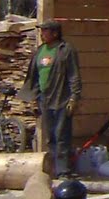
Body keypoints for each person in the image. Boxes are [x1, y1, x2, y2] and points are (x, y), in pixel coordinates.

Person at [19, 19, 83, 177]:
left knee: (62, 136)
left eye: (45, 31)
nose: (42, 34)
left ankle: (64, 171)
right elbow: (34, 76)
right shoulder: (40, 51)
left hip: (62, 98)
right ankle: (53, 170)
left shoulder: (65, 50)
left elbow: (74, 75)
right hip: (45, 100)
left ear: (55, 33)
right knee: (50, 137)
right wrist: (33, 96)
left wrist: (75, 97)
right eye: (41, 31)